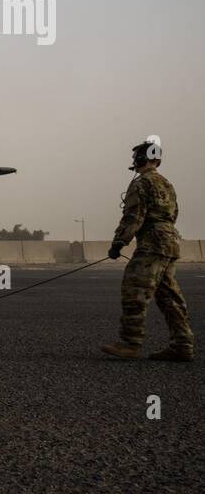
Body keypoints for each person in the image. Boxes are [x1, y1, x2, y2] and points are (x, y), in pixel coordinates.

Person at [101, 140, 194, 361]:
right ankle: (182, 344)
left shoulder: (141, 183)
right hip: (170, 243)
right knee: (169, 296)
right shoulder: (166, 184)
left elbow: (134, 215)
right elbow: (173, 214)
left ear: (140, 159)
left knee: (134, 290)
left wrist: (119, 243)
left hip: (152, 245)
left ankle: (130, 344)